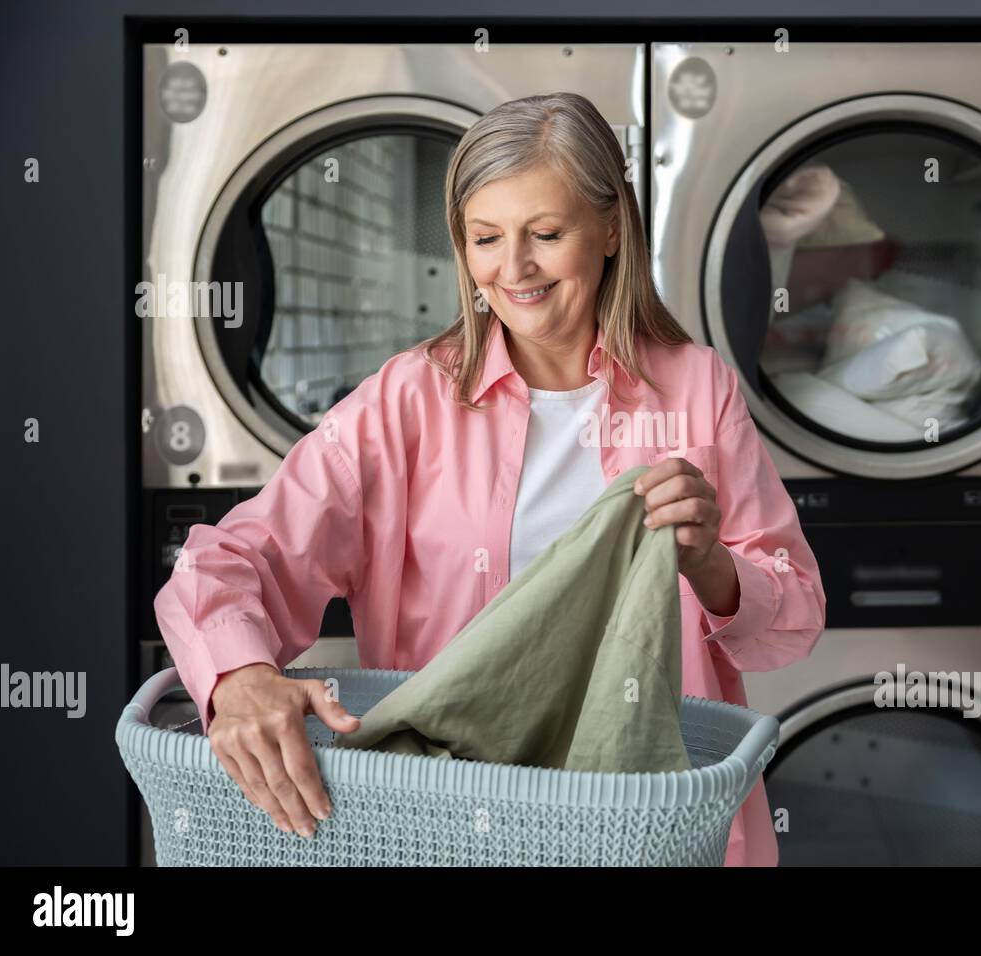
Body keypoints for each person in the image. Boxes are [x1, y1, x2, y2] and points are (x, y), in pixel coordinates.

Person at [154, 91, 826, 867]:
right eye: (484, 238)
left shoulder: (694, 389)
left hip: (649, 826)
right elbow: (232, 559)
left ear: (612, 228)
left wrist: (712, 563)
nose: (514, 269)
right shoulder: (407, 402)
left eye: (545, 233)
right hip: (450, 826)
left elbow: (795, 619)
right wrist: (238, 677)